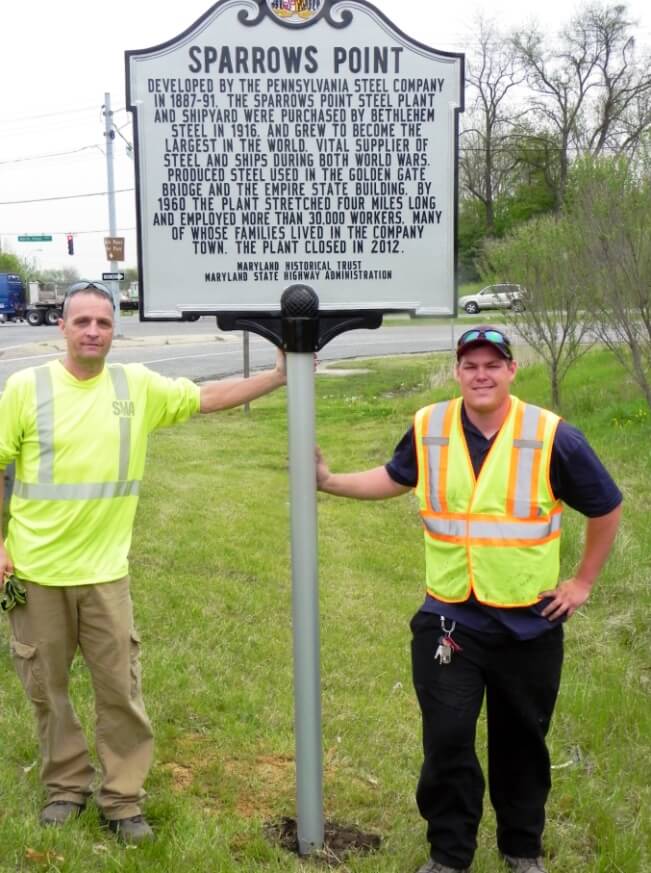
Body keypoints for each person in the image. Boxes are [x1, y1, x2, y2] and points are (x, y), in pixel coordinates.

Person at [316, 326, 622, 873]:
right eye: (470, 365)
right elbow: (395, 477)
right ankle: (449, 854)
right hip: (449, 616)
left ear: (511, 371)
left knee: (522, 742)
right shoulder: (430, 426)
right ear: (458, 372)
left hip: (529, 622)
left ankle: (521, 850)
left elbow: (606, 506)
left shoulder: (554, 436)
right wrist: (330, 481)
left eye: (492, 365)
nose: (481, 374)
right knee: (448, 738)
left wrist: (581, 584)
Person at [0, 281, 286, 844]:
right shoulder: (24, 388)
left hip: (107, 575)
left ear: (114, 329)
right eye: (81, 322)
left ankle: (123, 799)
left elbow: (208, 398)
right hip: (37, 574)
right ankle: (65, 788)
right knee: (47, 690)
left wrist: (278, 375)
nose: (92, 332)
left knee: (120, 693)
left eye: (102, 323)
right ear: (62, 326)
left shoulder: (137, 386)